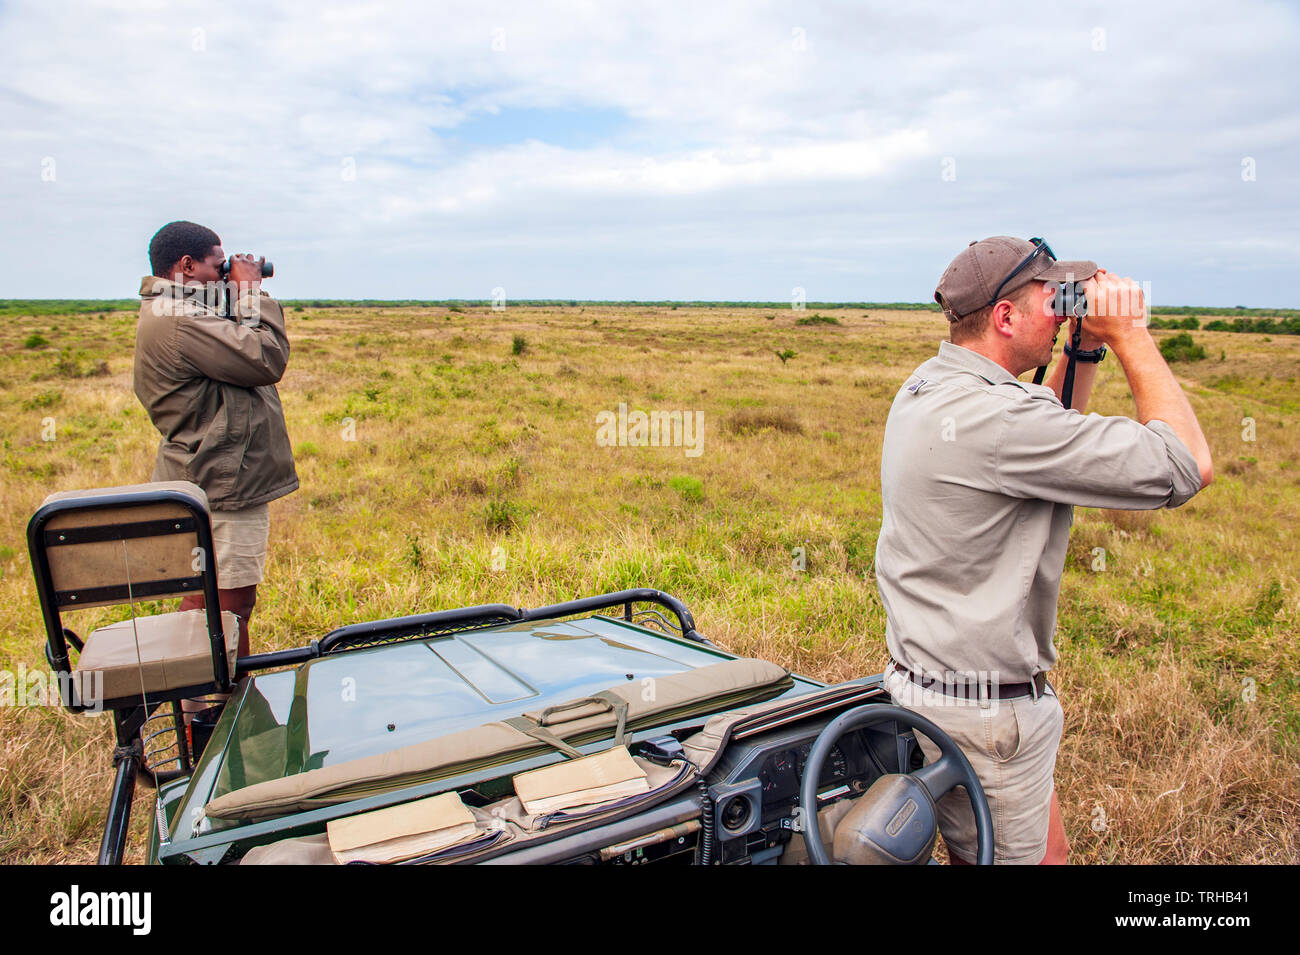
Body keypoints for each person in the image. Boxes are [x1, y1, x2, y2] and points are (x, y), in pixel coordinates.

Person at [874, 236, 1212, 865]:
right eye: (1049, 297)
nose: (1062, 309)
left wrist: (1082, 346)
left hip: (931, 691)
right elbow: (1186, 464)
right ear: (1005, 317)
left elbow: (1043, 432)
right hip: (988, 720)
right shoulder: (1002, 421)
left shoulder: (931, 385)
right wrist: (1130, 336)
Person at [134, 220, 298, 660]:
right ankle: (217, 710)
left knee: (210, 604)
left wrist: (234, 286)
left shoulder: (179, 310)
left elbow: (237, 338)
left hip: (208, 478)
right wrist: (252, 292)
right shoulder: (179, 320)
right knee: (227, 610)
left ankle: (201, 709)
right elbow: (264, 357)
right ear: (186, 265)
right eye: (215, 265)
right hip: (219, 485)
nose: (223, 273)